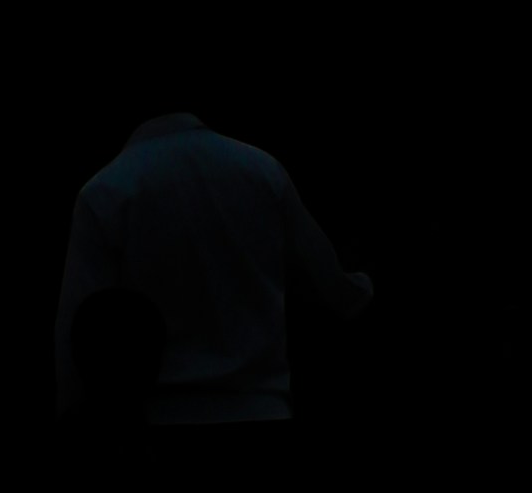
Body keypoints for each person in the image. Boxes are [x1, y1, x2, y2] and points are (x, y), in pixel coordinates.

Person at [53, 107, 371, 430]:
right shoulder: (263, 171)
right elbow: (332, 288)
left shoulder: (107, 191)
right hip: (262, 409)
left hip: (157, 420)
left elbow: (76, 332)